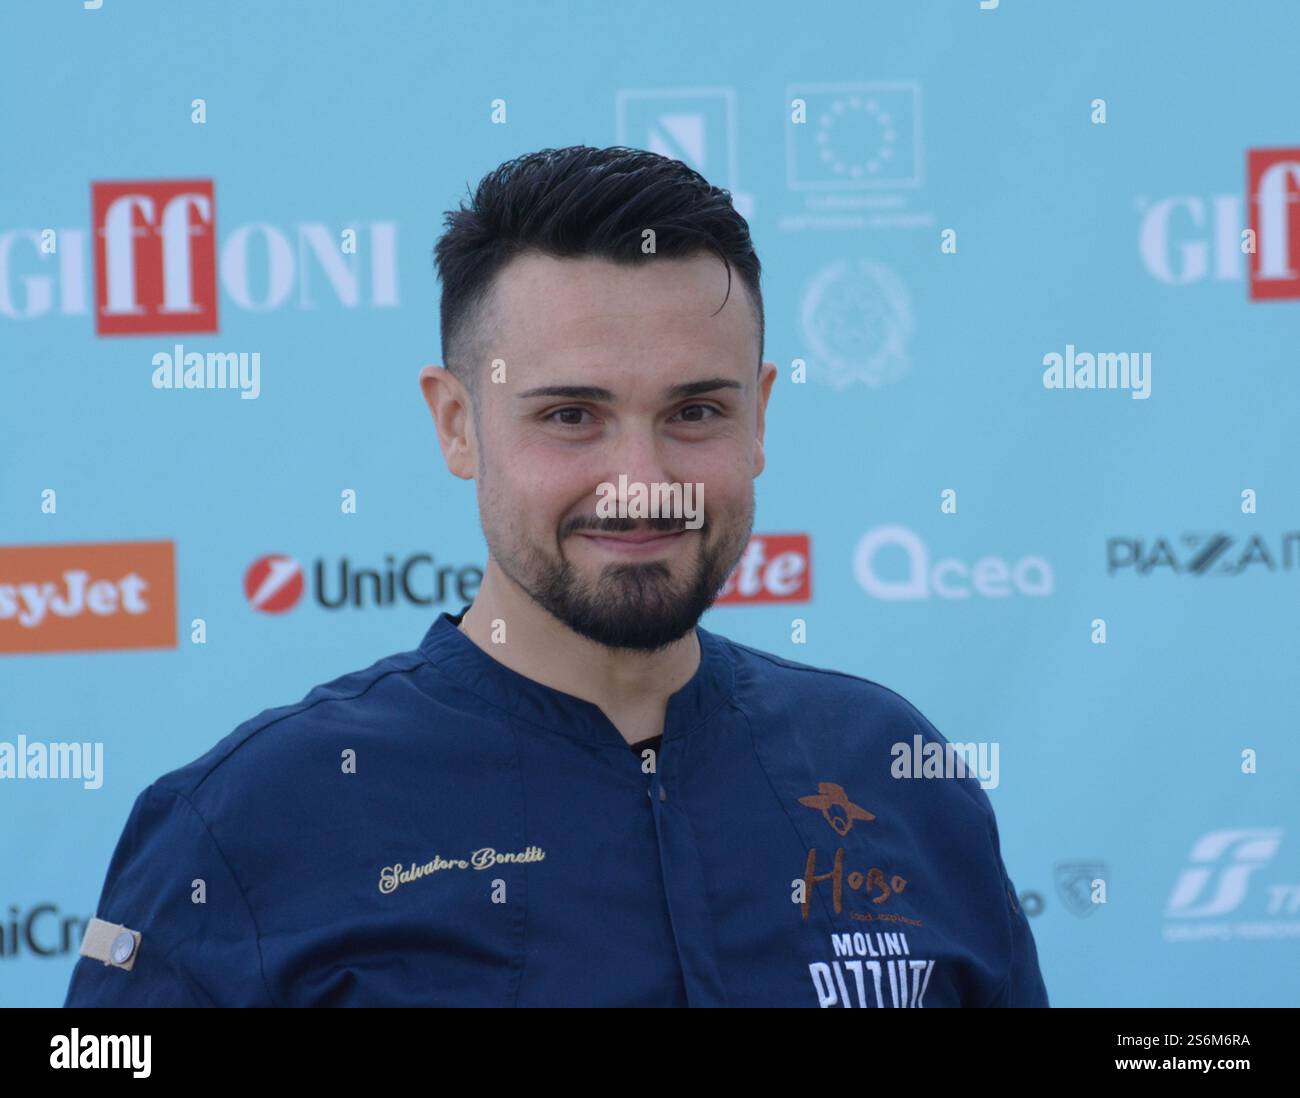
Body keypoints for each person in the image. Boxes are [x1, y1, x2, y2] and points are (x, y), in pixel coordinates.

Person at [65, 146, 1048, 1007]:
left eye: (694, 412)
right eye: (570, 415)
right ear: (457, 424)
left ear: (759, 417)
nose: (642, 483)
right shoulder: (250, 822)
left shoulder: (895, 773)